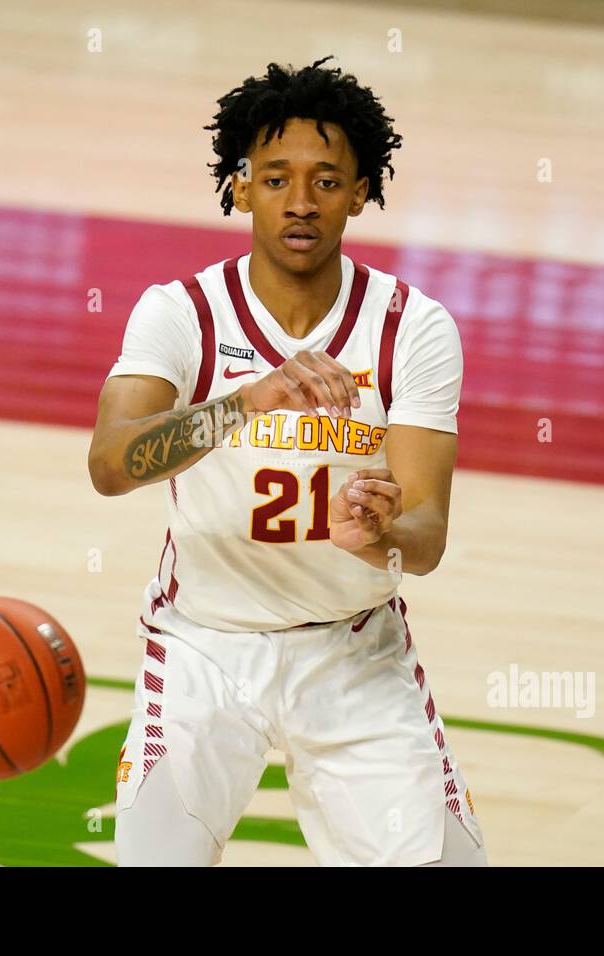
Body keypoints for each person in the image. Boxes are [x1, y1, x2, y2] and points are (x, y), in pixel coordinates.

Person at [88, 56, 486, 866]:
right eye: (275, 178)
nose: (301, 202)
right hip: (205, 645)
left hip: (352, 648)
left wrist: (382, 532)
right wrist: (245, 402)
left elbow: (429, 534)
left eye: (327, 180)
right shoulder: (182, 312)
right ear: (238, 186)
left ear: (364, 190)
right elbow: (110, 463)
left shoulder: (412, 329)